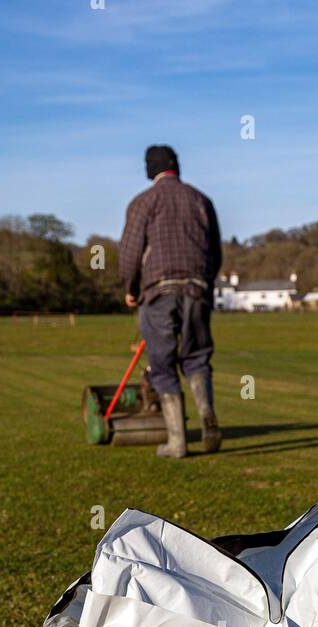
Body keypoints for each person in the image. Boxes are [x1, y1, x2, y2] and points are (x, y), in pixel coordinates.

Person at [119, 145, 223, 459]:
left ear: (150, 170)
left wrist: (130, 287)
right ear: (176, 166)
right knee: (196, 357)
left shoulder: (143, 202)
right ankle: (206, 415)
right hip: (196, 289)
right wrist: (206, 284)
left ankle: (177, 442)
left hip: (158, 291)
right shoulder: (200, 199)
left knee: (162, 364)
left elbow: (130, 253)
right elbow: (215, 252)